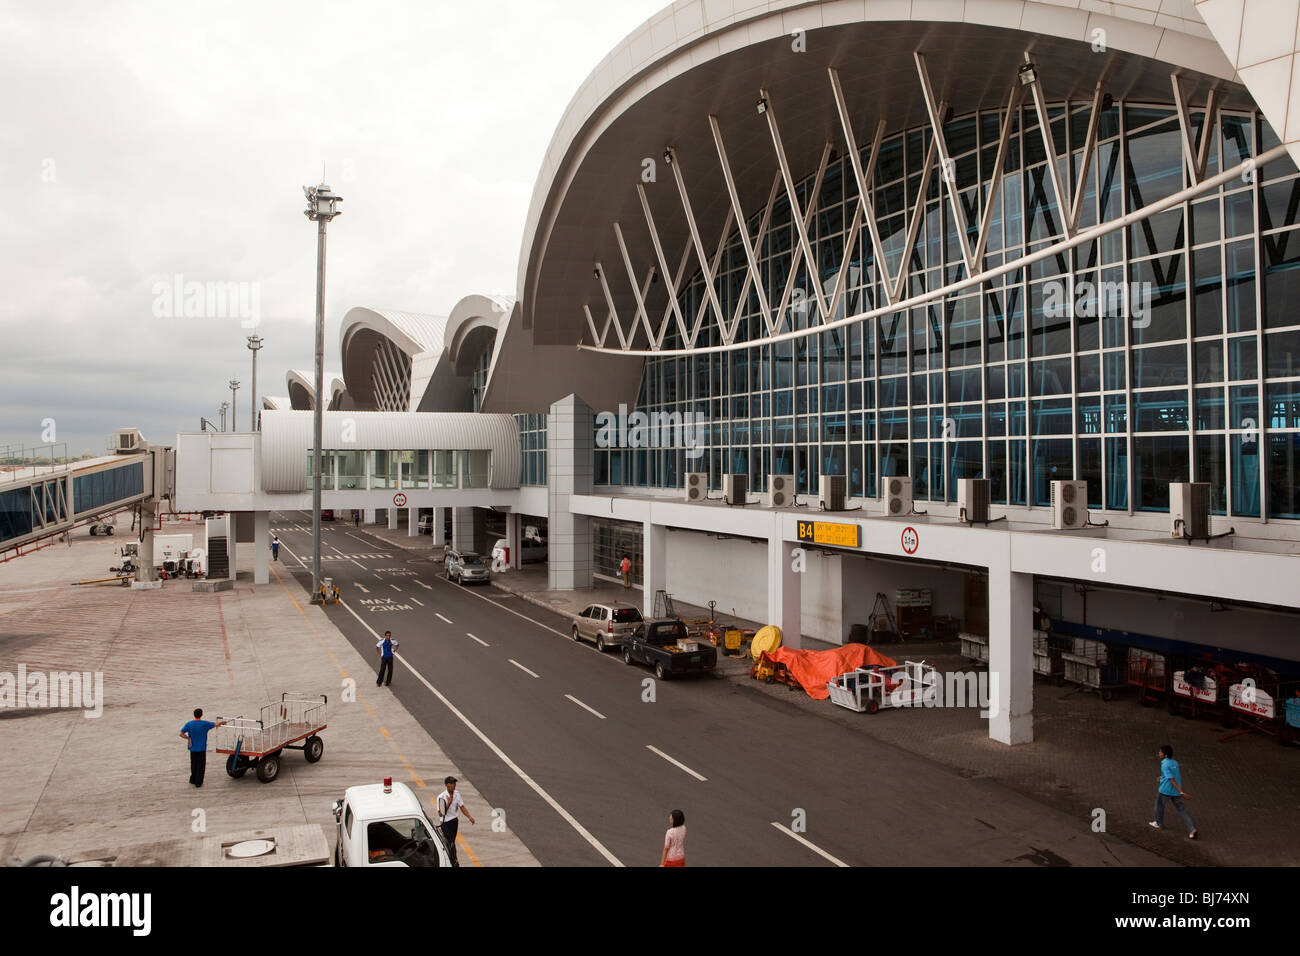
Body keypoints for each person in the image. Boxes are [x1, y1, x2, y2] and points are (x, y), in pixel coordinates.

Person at [1149, 744, 1197, 839]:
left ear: (1165, 755)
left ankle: (1158, 823)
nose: (1159, 753)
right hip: (1175, 792)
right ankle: (1192, 829)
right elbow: (1173, 775)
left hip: (1165, 790)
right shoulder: (1175, 763)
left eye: (1160, 752)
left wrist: (1181, 792)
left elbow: (1171, 779)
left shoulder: (1164, 764)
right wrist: (1162, 777)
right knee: (1182, 810)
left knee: (1159, 806)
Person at [179, 708, 226, 788]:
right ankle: (198, 782)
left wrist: (188, 738)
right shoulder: (204, 724)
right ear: (202, 714)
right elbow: (215, 724)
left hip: (192, 748)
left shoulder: (189, 724)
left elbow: (181, 734)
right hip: (201, 748)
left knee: (193, 764)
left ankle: (193, 779)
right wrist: (222, 722)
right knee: (200, 765)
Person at [436, 776, 475, 866]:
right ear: (446, 785)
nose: (454, 785)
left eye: (454, 783)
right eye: (451, 783)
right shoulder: (441, 797)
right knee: (450, 843)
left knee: (452, 841)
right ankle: (453, 861)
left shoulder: (457, 794)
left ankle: (453, 859)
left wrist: (469, 817)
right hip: (446, 823)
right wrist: (449, 803)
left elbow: (462, 807)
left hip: (454, 821)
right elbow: (440, 814)